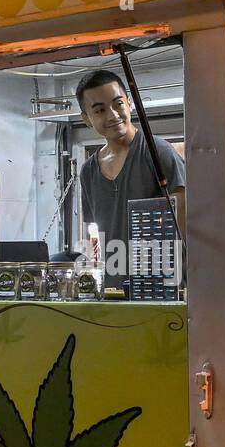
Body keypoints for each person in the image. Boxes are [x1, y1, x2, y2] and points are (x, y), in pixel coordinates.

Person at [76, 69, 185, 289]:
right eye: (100, 110)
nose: (113, 115)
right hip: (112, 289)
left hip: (160, 288)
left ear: (130, 103)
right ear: (86, 118)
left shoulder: (159, 153)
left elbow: (185, 224)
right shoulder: (88, 171)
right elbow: (95, 236)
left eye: (118, 104)